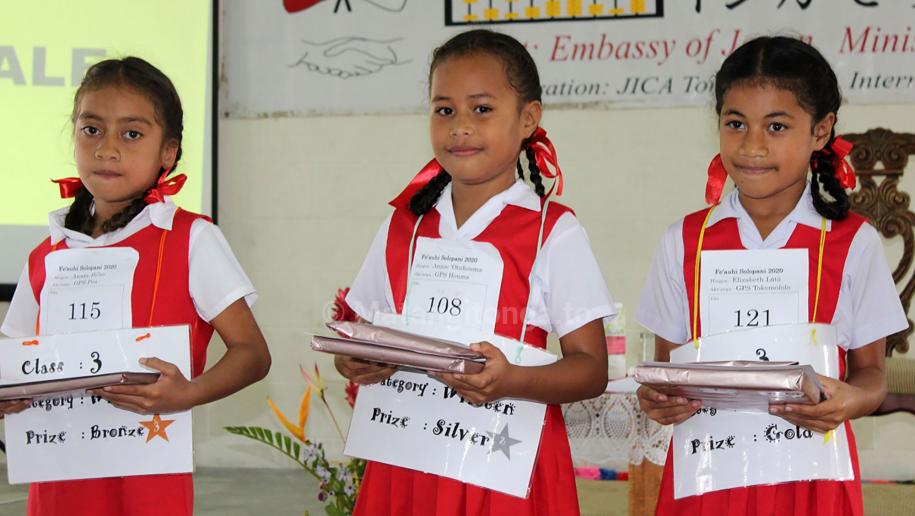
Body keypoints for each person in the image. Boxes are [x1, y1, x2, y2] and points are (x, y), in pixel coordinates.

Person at [336, 29, 616, 515]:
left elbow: (591, 370)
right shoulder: (405, 224)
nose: (460, 127)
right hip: (409, 457)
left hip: (504, 463)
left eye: (482, 109)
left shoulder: (553, 230)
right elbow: (359, 336)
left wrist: (510, 381)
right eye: (444, 110)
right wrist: (357, 361)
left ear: (529, 118)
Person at [636, 36, 907, 516]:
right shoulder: (684, 241)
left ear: (821, 130)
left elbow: (871, 379)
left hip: (809, 478)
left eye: (776, 126)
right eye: (735, 123)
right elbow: (668, 371)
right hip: (707, 477)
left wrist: (849, 399)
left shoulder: (851, 242)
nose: (753, 146)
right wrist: (659, 399)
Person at [0, 56, 271, 516]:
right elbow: (14, 360)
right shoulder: (47, 253)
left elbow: (253, 354)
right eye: (92, 129)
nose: (107, 149)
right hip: (59, 472)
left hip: (148, 475)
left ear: (168, 152)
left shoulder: (190, 238)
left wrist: (186, 393)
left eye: (131, 133)